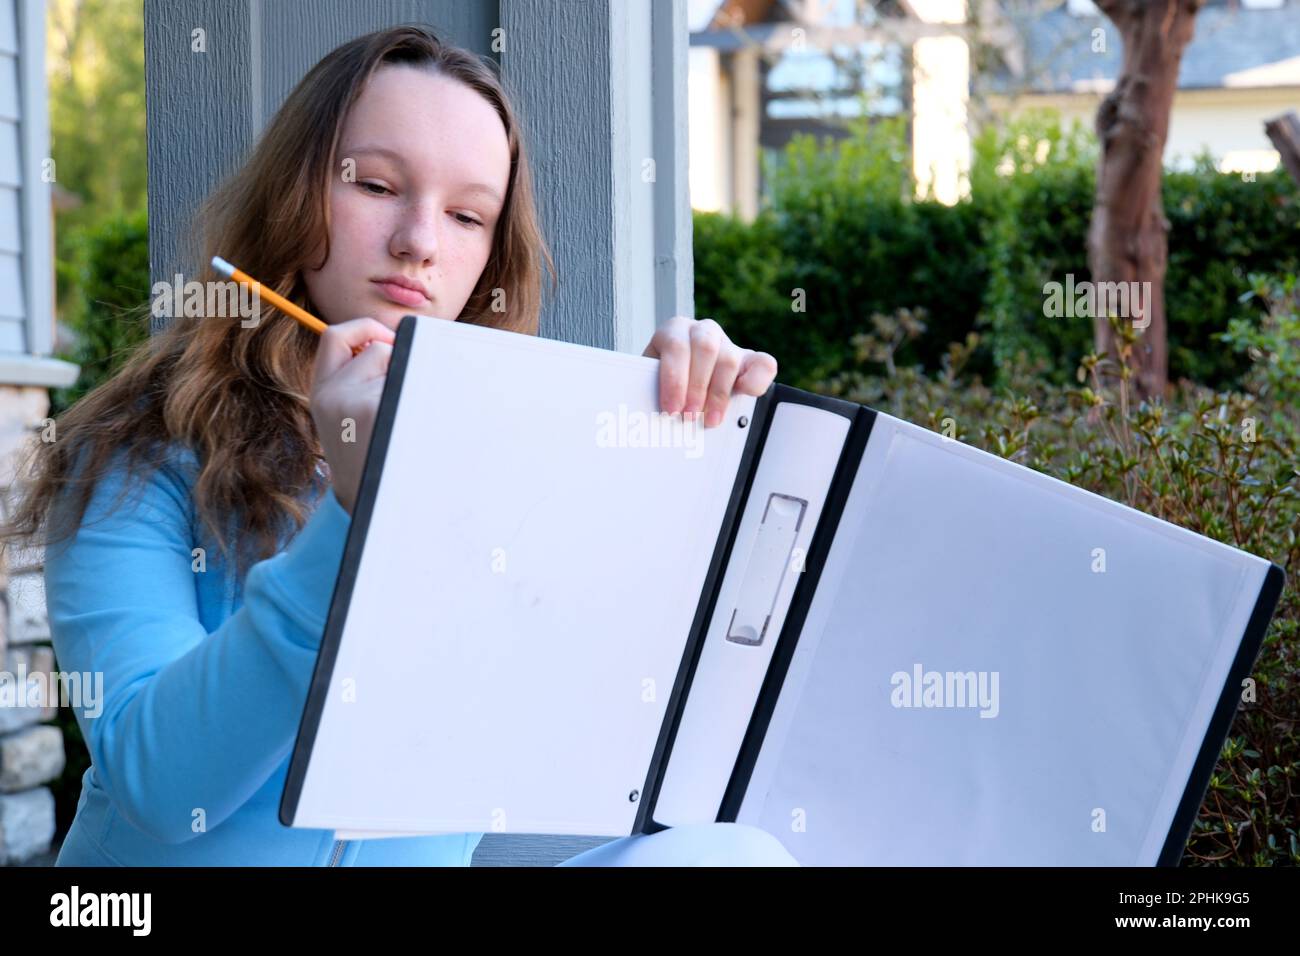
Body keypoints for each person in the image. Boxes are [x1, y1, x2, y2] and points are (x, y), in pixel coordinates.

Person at [1, 25, 794, 867]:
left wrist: (638, 460)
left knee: (732, 856)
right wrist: (352, 511)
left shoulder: (506, 459)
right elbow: (161, 786)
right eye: (376, 185)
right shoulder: (138, 451)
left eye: (466, 214)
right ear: (294, 197)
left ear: (491, 255)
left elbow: (604, 723)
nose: (421, 240)